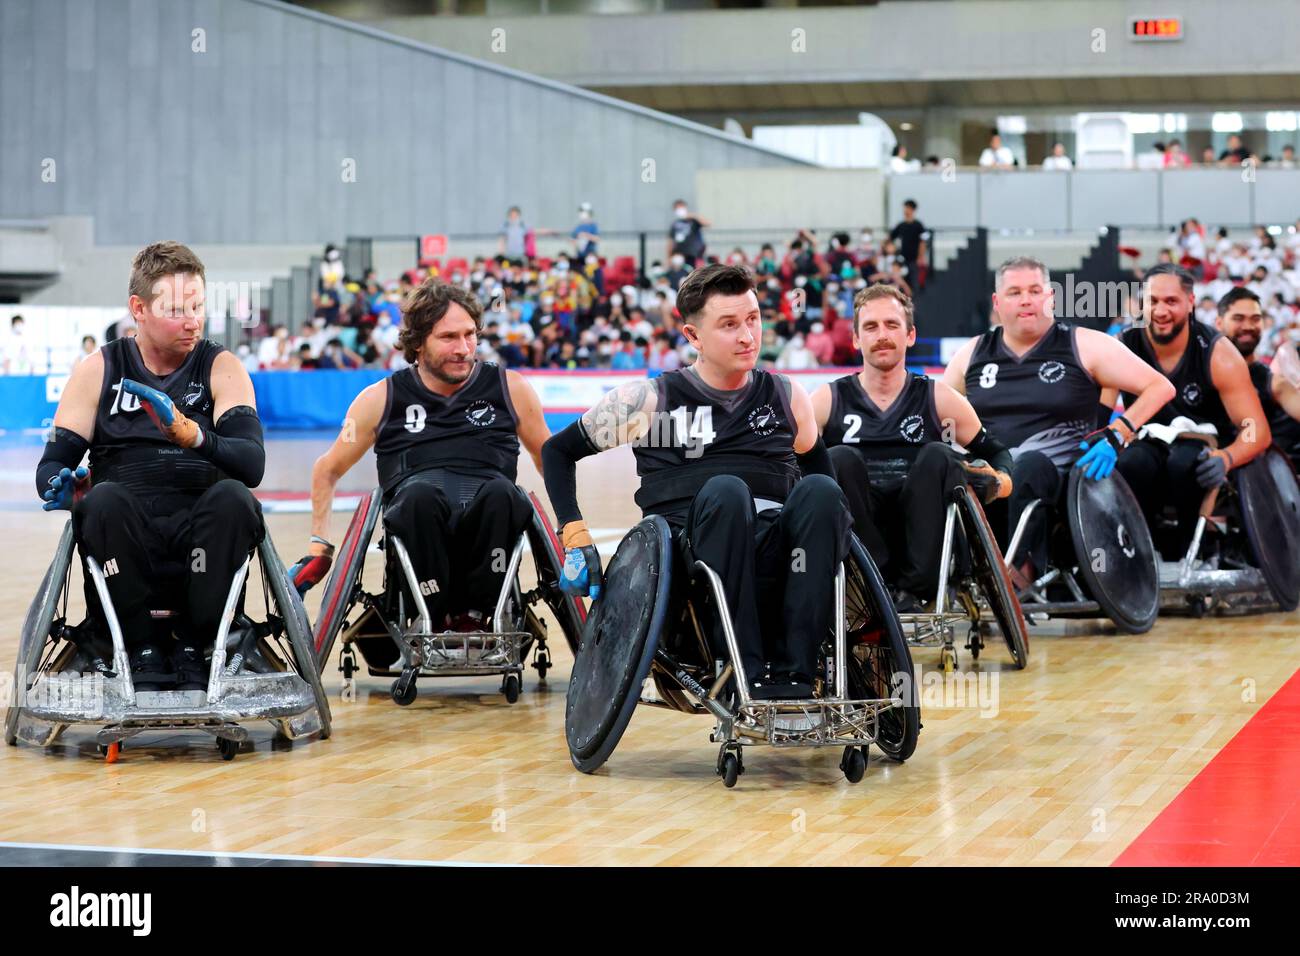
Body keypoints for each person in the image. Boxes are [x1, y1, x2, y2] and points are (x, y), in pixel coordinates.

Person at [541, 264, 851, 700]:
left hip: (779, 553)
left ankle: (796, 674)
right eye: (729, 325)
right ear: (692, 336)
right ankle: (743, 668)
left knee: (822, 493)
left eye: (753, 319)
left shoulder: (787, 395)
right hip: (692, 561)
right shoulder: (647, 400)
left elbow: (819, 468)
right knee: (727, 492)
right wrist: (575, 535)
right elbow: (557, 451)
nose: (748, 335)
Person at [36, 241, 266, 690]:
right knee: (101, 500)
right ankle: (140, 646)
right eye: (178, 309)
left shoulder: (221, 366)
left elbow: (252, 464)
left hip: (201, 528)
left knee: (236, 497)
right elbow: (52, 464)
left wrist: (192, 435)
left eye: (198, 306)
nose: (193, 319)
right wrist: (61, 486)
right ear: (138, 308)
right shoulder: (97, 369)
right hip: (125, 527)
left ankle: (195, 644)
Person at [296, 279, 550, 634]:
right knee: (419, 496)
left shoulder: (512, 389)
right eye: (448, 337)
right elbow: (327, 469)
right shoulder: (379, 400)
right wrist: (319, 546)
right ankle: (432, 612)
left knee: (503, 495)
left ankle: (478, 613)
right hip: (417, 520)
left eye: (469, 335)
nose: (463, 348)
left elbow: (548, 458)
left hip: (490, 522)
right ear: (416, 344)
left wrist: (572, 529)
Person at [942, 256, 1176, 584]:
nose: (1025, 299)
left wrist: (1117, 433)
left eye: (1035, 290)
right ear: (997, 302)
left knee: (1028, 465)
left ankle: (1019, 573)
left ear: (1050, 297)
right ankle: (936, 578)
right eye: (1014, 292)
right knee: (945, 466)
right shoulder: (972, 353)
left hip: (1059, 478)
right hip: (991, 474)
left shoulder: (1084, 344)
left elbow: (1160, 387)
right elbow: (935, 413)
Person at [813, 284, 1013, 609]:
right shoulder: (826, 400)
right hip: (859, 532)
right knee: (838, 459)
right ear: (855, 339)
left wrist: (999, 481)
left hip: (923, 529)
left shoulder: (939, 398)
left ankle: (914, 590)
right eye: (871, 326)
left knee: (939, 454)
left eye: (892, 325)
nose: (882, 335)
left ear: (910, 335)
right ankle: (871, 583)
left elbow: (997, 453)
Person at [1115, 264, 1270, 558]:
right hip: (1150, 442)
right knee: (1132, 463)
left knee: (1185, 464)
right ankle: (1142, 554)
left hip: (1204, 445)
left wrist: (1227, 457)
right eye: (1153, 301)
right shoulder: (1124, 346)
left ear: (1191, 302)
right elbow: (1099, 411)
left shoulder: (1218, 353)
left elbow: (1257, 430)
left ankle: (1193, 551)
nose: (1160, 311)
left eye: (1171, 301)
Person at [1215, 287, 1300, 468]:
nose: (1248, 326)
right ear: (1219, 323)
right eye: (1238, 319)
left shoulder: (1273, 382)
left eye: (1255, 319)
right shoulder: (1204, 372)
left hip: (1263, 478)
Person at [889, 200, 928, 292]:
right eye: (905, 208)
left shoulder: (919, 225)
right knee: (901, 282)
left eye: (907, 208)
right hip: (902, 259)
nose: (905, 210)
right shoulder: (901, 225)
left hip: (914, 260)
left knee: (914, 283)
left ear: (912, 209)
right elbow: (890, 238)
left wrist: (920, 257)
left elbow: (923, 242)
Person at [668, 199, 710, 266]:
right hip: (680, 253)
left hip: (695, 253)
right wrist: (669, 257)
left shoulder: (693, 221)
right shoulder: (675, 224)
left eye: (681, 207)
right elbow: (671, 241)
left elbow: (707, 223)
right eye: (677, 208)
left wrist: (693, 216)